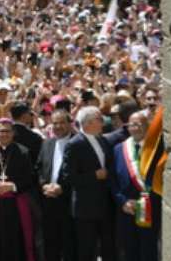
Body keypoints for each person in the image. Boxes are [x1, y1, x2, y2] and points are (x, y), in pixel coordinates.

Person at [0, 118, 38, 261]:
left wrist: (12, 186)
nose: (4, 134)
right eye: (1, 131)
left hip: (15, 206)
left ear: (13, 133)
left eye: (8, 131)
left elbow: (30, 178)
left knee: (15, 243)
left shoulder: (23, 152)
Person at [59, 106, 116, 261]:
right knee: (86, 250)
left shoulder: (102, 140)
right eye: (99, 119)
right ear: (88, 123)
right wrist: (94, 175)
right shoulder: (75, 144)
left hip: (104, 205)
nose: (103, 123)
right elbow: (67, 177)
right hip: (85, 208)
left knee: (108, 247)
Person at [110, 110, 166, 261]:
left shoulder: (157, 149)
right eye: (132, 125)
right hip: (128, 208)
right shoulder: (118, 149)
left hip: (151, 207)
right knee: (129, 250)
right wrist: (122, 202)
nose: (135, 128)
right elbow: (113, 181)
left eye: (140, 124)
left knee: (149, 249)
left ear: (148, 126)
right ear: (127, 127)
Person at [38, 109, 78, 261]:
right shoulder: (47, 143)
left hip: (70, 202)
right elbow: (39, 168)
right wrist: (44, 186)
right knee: (50, 244)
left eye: (62, 122)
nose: (58, 126)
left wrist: (63, 188)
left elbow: (81, 172)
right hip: (48, 201)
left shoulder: (78, 142)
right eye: (55, 123)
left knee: (69, 245)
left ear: (70, 123)